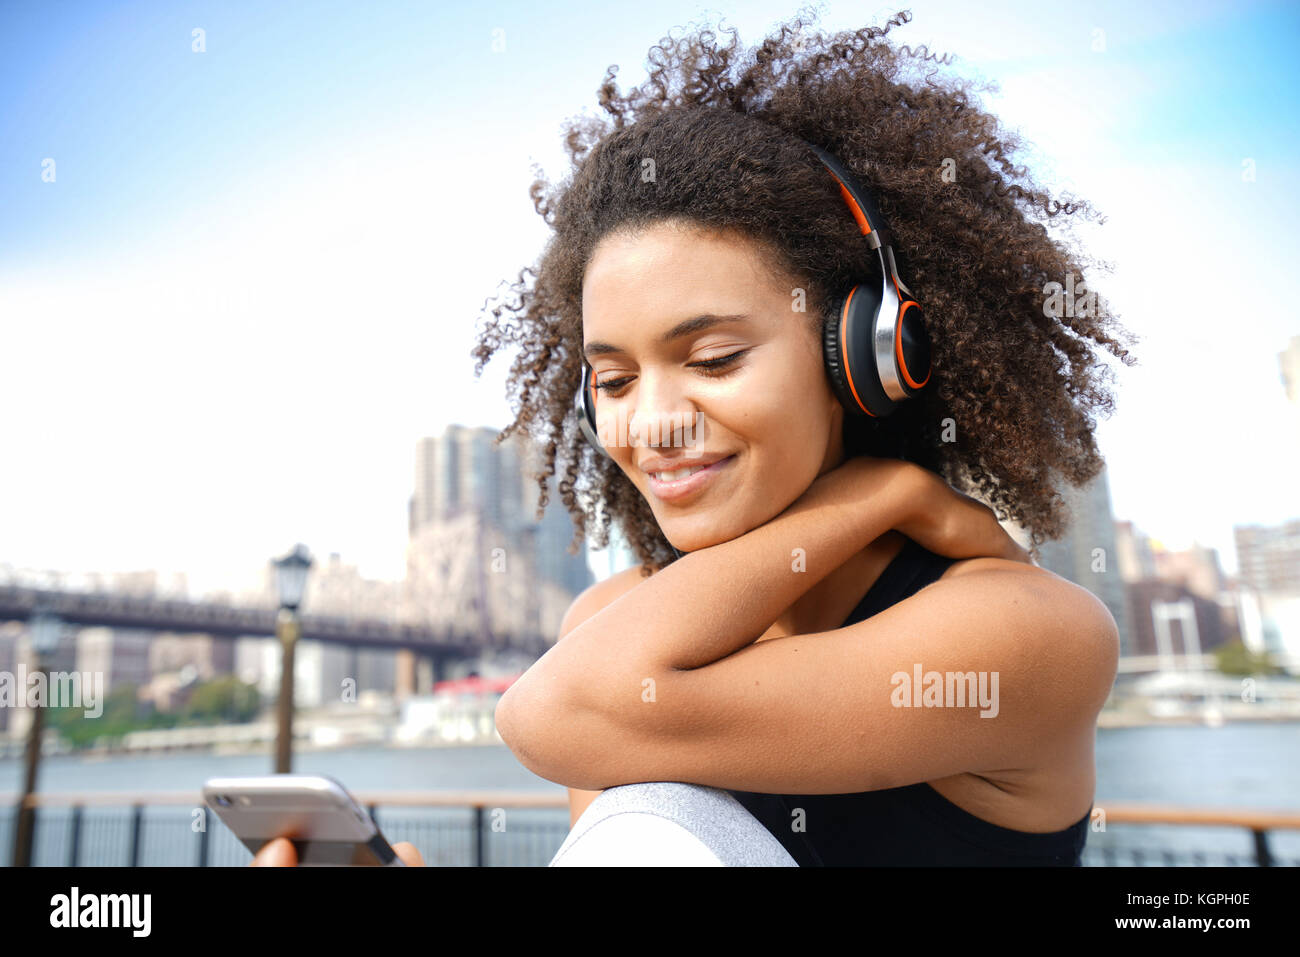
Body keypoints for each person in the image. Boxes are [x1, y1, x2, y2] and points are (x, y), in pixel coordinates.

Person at [256, 8, 1132, 867]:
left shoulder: (1026, 629)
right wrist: (877, 494)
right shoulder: (612, 621)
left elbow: (549, 712)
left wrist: (870, 493)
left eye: (712, 358)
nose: (653, 422)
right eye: (614, 380)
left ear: (867, 357)